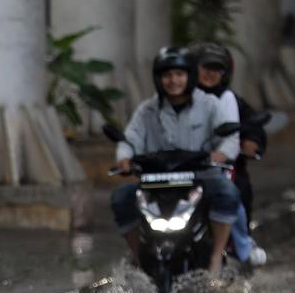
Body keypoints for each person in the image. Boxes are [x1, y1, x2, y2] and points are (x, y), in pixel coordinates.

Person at [111, 46, 242, 275]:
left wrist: (219, 155)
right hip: (155, 182)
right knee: (121, 197)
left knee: (228, 193)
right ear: (158, 78)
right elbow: (129, 140)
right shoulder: (147, 110)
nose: (173, 81)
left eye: (179, 74)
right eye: (167, 75)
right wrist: (124, 159)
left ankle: (215, 259)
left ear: (189, 75)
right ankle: (139, 259)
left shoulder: (210, 104)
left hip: (201, 178)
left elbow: (230, 140)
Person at [193, 42, 267, 267]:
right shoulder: (179, 99)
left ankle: (240, 245)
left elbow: (252, 128)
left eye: (216, 69)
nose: (210, 74)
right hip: (183, 169)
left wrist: (251, 142)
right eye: (205, 67)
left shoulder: (231, 101)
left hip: (221, 168)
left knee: (234, 191)